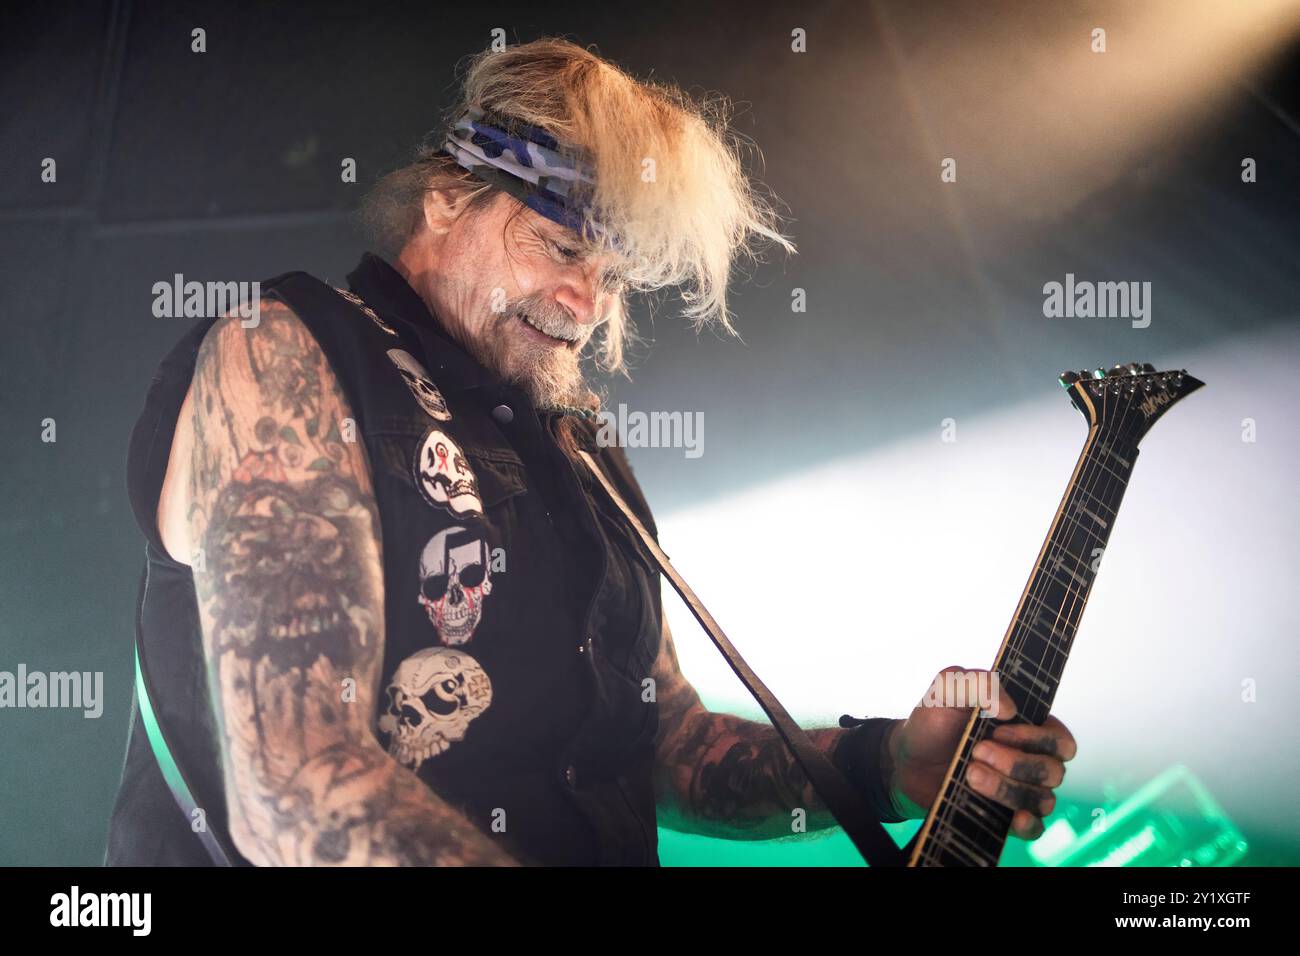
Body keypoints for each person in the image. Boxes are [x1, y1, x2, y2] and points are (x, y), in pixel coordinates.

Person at [106, 37, 1074, 866]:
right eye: (563, 249)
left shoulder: (582, 452)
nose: (589, 305)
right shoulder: (287, 351)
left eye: (614, 276)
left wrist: (889, 763)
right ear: (448, 196)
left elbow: (666, 744)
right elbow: (297, 790)